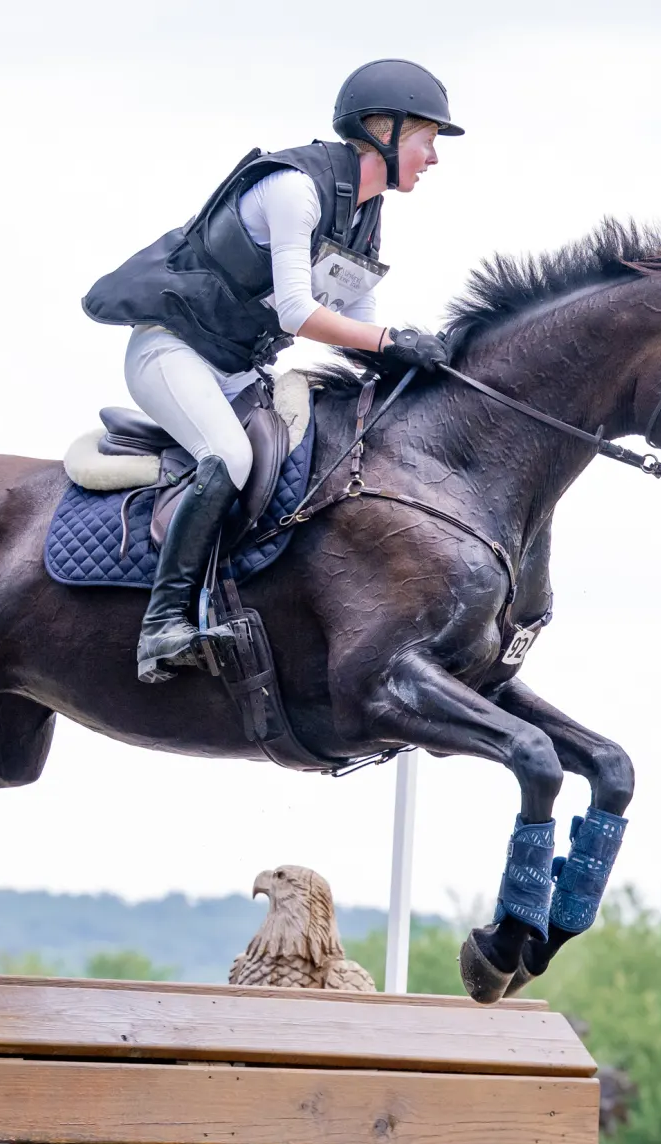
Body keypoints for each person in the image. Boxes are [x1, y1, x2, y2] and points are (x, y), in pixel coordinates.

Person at [83, 59, 462, 682]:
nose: (434, 158)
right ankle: (162, 625)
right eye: (428, 140)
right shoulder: (296, 189)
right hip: (170, 352)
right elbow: (297, 311)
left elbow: (359, 323)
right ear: (384, 131)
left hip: (233, 372)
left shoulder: (363, 214)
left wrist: (414, 363)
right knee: (229, 459)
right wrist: (391, 340)